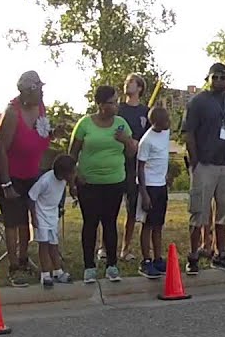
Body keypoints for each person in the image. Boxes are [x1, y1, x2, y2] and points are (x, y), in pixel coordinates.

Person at [183, 62, 225, 275]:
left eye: (222, 76)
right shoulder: (197, 102)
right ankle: (193, 255)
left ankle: (221, 253)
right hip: (206, 165)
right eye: (215, 77)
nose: (219, 80)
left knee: (224, 213)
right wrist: (195, 161)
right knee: (199, 212)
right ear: (208, 78)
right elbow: (188, 132)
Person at [70, 85, 137, 283]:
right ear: (100, 104)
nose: (116, 106)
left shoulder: (121, 124)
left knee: (110, 223)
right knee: (90, 223)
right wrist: (73, 177)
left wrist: (126, 141)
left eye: (116, 102)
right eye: (112, 102)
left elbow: (132, 152)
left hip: (114, 181)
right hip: (88, 182)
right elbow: (72, 153)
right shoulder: (84, 124)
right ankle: (89, 267)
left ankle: (112, 265)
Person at [0, 70, 50, 287]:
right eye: (38, 88)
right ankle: (13, 266)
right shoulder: (12, 113)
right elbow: (2, 150)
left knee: (28, 217)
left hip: (31, 171)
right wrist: (6, 182)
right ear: (27, 91)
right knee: (13, 219)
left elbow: (42, 135)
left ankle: (24, 259)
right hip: (11, 172)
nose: (42, 92)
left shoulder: (40, 107)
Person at [116, 73, 150, 265]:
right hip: (116, 161)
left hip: (134, 166)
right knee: (110, 208)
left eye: (131, 82)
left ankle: (125, 248)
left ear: (139, 88)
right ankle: (105, 247)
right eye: (126, 81)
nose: (127, 84)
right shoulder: (118, 109)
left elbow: (148, 138)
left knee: (131, 209)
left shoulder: (146, 112)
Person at [135, 107, 172, 279]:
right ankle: (146, 260)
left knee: (158, 224)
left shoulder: (165, 132)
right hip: (149, 186)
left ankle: (158, 258)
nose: (169, 123)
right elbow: (140, 168)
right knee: (147, 224)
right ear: (155, 122)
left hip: (161, 184)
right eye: (165, 120)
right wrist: (144, 194)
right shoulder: (146, 141)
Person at [28, 155, 76, 288]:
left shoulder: (64, 179)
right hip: (41, 214)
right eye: (71, 172)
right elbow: (31, 198)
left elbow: (70, 183)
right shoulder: (45, 181)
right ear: (63, 173)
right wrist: (34, 218)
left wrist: (73, 188)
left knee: (54, 244)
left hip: (53, 215)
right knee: (44, 245)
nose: (73, 175)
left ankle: (57, 271)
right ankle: (45, 274)